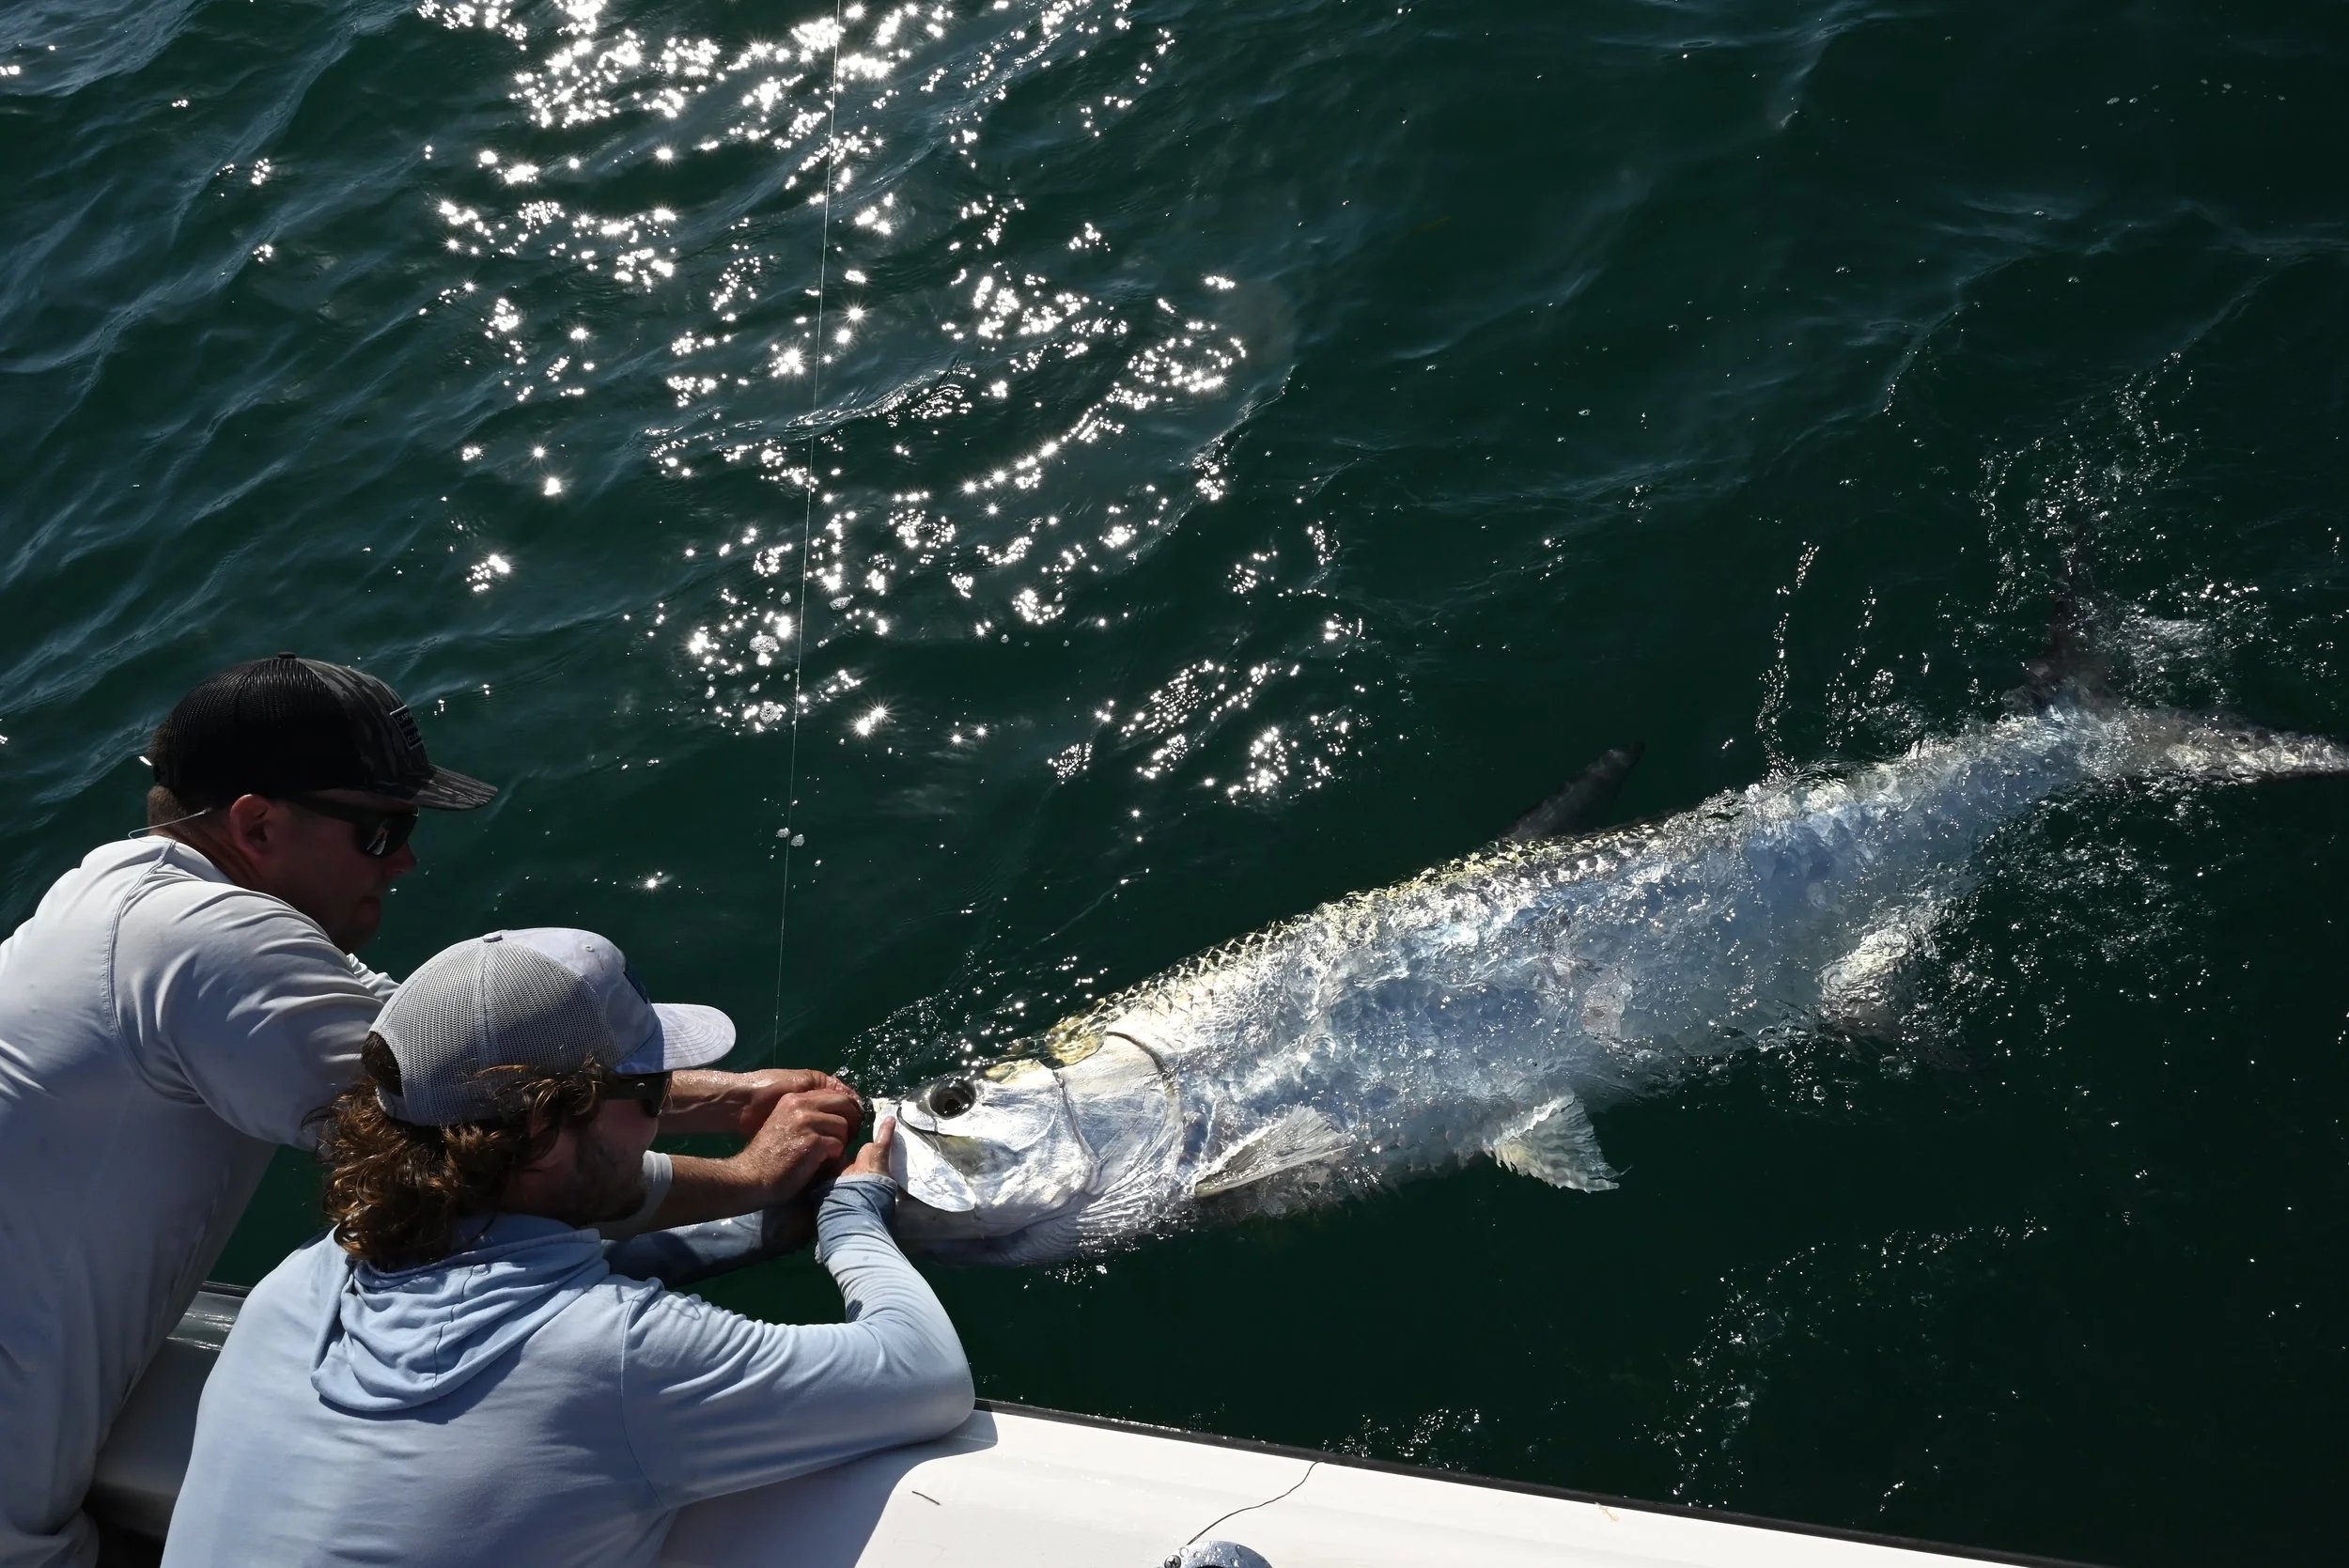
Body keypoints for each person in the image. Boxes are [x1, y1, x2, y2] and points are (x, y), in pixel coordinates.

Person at [0, 654, 858, 1568]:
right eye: (381, 830)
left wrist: (734, 1095)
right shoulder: (210, 948)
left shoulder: (120, 891)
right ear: (256, 823)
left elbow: (447, 1057)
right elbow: (480, 1145)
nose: (406, 858)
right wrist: (751, 1179)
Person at [163, 928, 972, 1567]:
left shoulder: (305, 1279)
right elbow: (924, 1371)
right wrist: (853, 1212)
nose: (661, 1109)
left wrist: (759, 1207)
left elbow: (534, 1272)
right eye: (651, 1090)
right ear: (547, 1130)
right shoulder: (620, 1357)